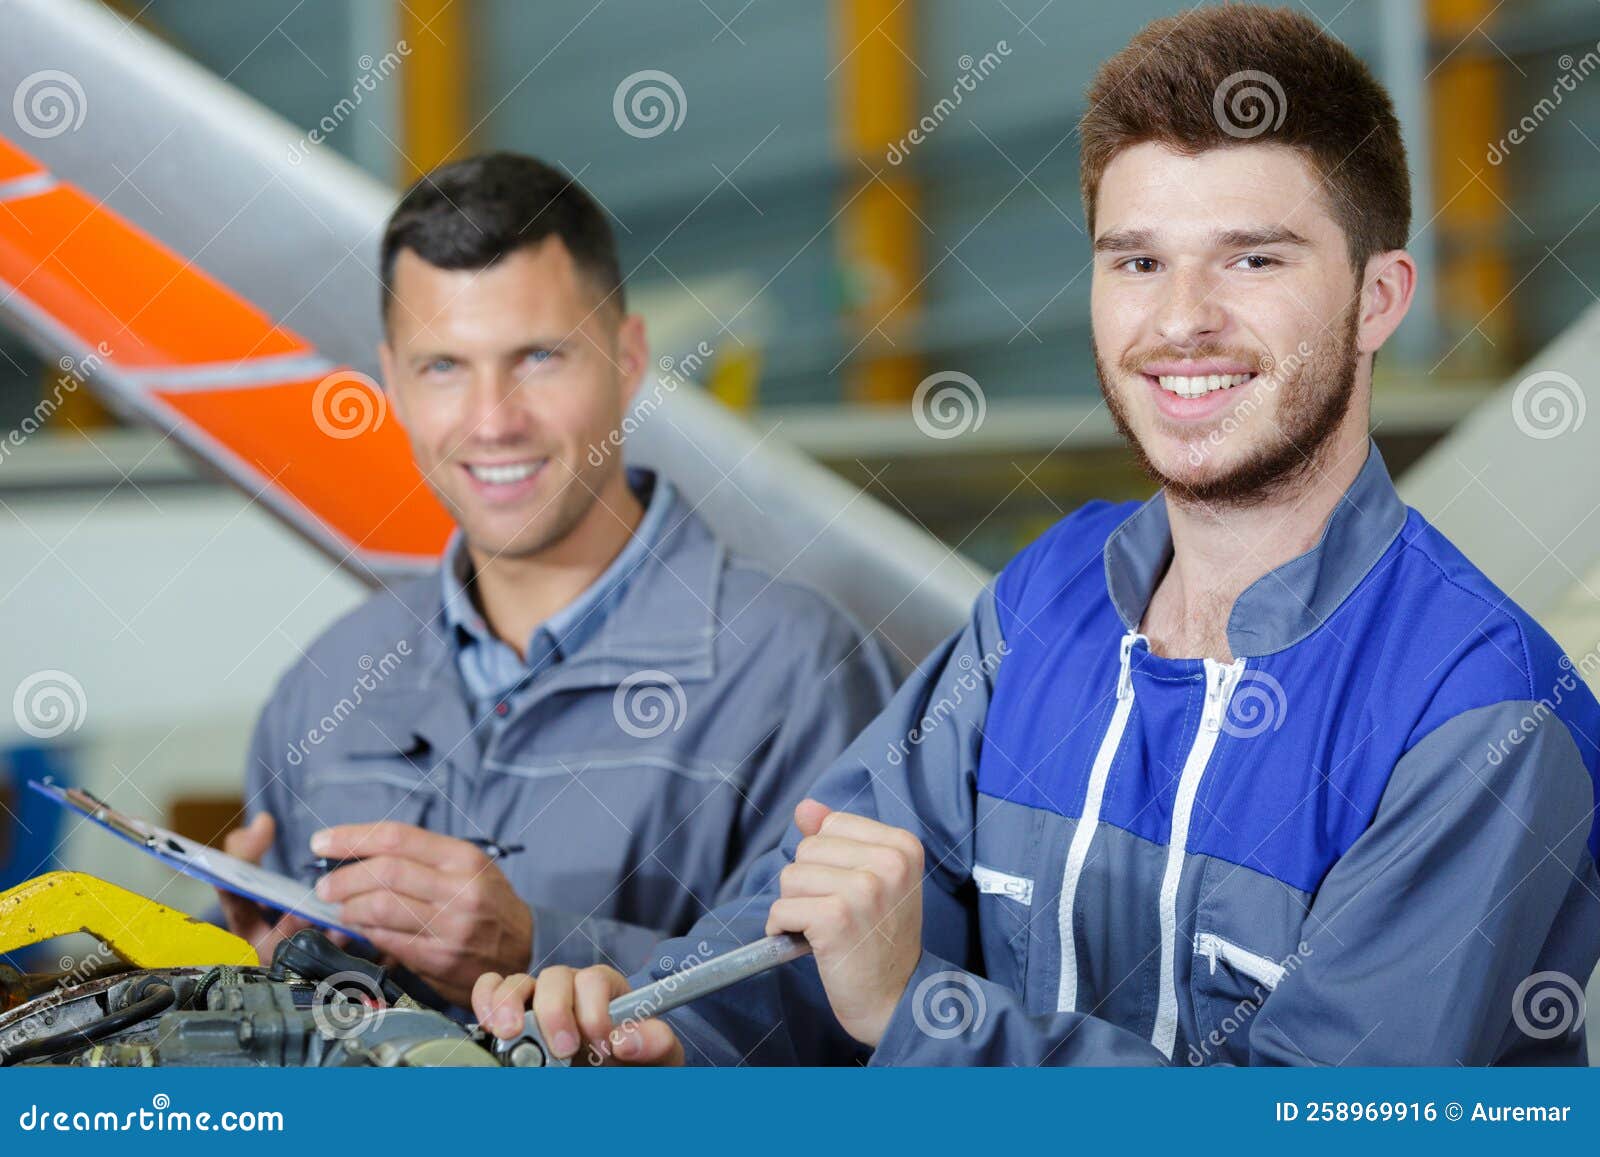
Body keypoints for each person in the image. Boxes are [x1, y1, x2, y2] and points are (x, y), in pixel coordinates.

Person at [474, 6, 1600, 1066]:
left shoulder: (1483, 719)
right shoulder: (1046, 598)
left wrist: (921, 1013)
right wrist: (660, 1022)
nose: (1178, 320)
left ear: (1378, 298)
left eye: (1253, 258)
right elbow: (819, 920)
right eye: (1137, 260)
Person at [217, 153, 895, 1009]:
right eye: (444, 367)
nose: (494, 420)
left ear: (629, 357)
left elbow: (839, 1017)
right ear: (391, 379)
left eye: (539, 357)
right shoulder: (323, 688)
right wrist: (255, 969)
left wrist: (541, 946)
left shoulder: (801, 673)